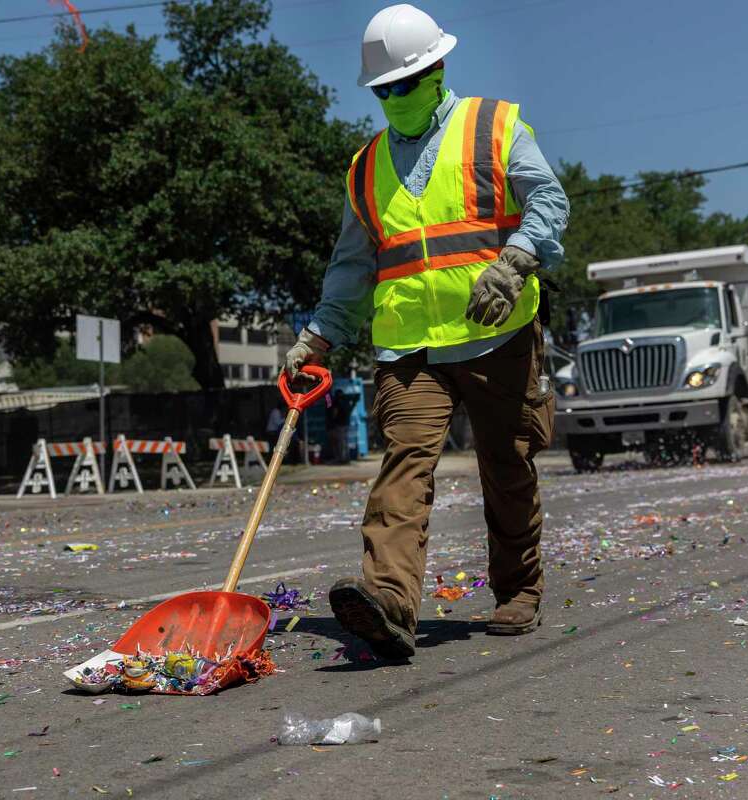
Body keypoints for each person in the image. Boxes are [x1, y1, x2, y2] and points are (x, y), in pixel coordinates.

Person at [284, 3, 569, 659]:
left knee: (507, 467)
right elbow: (352, 267)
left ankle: (518, 589)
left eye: (405, 84)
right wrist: (319, 336)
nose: (395, 98)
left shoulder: (494, 127)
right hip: (410, 349)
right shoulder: (365, 167)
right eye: (383, 90)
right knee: (403, 466)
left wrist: (515, 260)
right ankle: (388, 603)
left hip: (499, 335)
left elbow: (549, 200)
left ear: (437, 71)